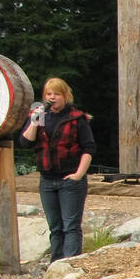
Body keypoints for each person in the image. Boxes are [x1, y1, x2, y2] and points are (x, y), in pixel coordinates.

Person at [18, 77, 95, 262]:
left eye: (56, 94)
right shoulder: (39, 115)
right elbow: (24, 142)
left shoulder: (77, 118)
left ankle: (71, 266)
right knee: (55, 227)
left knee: (71, 226)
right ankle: (56, 265)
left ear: (65, 95)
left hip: (70, 179)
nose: (52, 97)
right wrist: (35, 121)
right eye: (48, 94)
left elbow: (89, 148)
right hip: (47, 180)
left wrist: (78, 175)